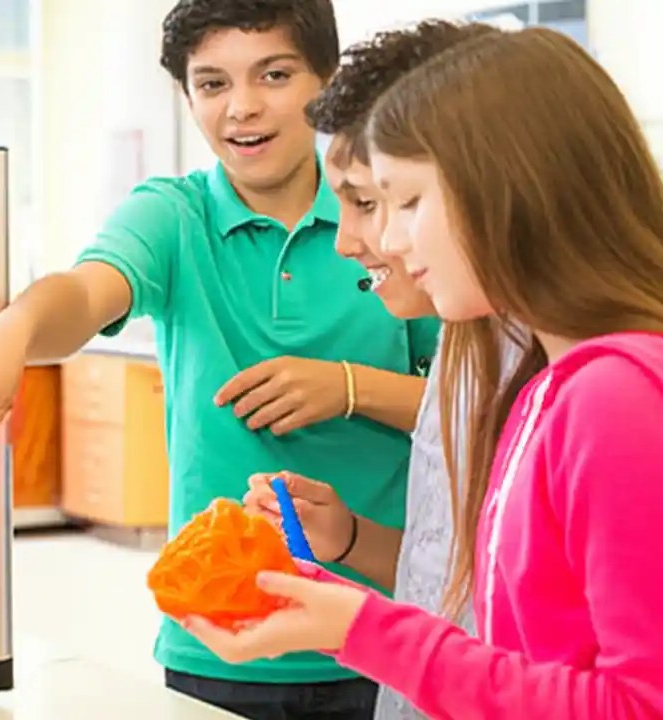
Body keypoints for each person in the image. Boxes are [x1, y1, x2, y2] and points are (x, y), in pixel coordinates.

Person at [0, 1, 437, 717]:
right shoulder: (173, 215)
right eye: (212, 84)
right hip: (219, 636)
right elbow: (83, 295)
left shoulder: (383, 217)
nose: (243, 108)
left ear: (325, 80)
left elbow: (473, 411)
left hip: (382, 628)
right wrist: (12, 333)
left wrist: (350, 387)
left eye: (274, 74)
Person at [181, 26, 663, 718]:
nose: (389, 241)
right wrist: (344, 597)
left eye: (404, 202)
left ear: (506, 189)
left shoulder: (612, 397)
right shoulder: (550, 390)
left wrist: (360, 629)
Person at [235, 19, 508, 719]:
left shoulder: (571, 387)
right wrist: (352, 539)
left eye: (379, 201)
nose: (359, 240)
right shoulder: (462, 346)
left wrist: (353, 627)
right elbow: (455, 583)